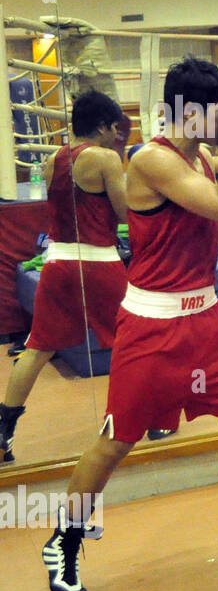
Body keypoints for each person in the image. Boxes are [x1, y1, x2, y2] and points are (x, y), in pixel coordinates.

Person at [42, 57, 218, 591]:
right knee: (116, 440)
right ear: (189, 112)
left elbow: (216, 226)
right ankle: (64, 540)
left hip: (206, 320)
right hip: (153, 325)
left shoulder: (203, 162)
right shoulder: (149, 160)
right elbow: (217, 206)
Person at [1, 91, 129, 464]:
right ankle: (141, 418)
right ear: (104, 126)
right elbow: (123, 214)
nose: (116, 137)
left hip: (57, 264)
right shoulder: (105, 158)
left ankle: (4, 427)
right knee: (131, 342)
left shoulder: (51, 160)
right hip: (98, 264)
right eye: (114, 129)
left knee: (38, 347)